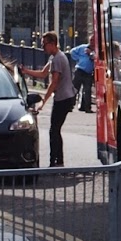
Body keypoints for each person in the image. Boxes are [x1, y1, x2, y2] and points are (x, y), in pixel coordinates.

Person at [21, 31, 74, 168]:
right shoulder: (54, 57)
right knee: (56, 129)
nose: (42, 47)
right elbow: (44, 74)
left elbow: (54, 81)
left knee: (54, 130)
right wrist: (26, 71)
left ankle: (55, 162)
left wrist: (44, 101)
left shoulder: (57, 59)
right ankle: (58, 161)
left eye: (44, 44)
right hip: (66, 97)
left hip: (63, 98)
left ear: (51, 44)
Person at [68, 42, 95, 112]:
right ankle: (70, 106)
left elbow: (96, 58)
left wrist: (90, 54)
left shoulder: (95, 50)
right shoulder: (82, 47)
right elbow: (72, 51)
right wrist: (78, 58)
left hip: (88, 73)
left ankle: (87, 107)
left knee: (87, 91)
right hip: (79, 70)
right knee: (74, 89)